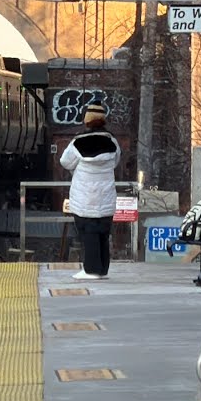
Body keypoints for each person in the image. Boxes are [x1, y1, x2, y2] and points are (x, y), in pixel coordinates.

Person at [59, 101, 121, 280]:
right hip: (106, 194)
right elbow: (115, 161)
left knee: (88, 232)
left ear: (87, 119)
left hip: (84, 196)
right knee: (103, 230)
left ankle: (91, 269)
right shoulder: (112, 141)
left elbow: (65, 161)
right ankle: (102, 269)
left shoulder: (78, 142)